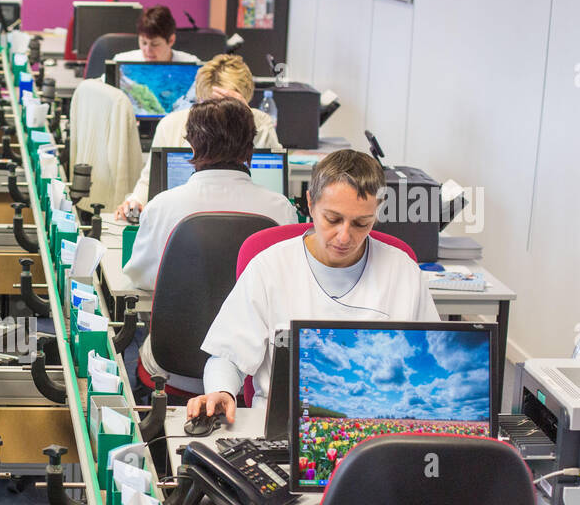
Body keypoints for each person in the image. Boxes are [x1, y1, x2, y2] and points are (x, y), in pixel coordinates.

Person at [185, 149, 440, 425]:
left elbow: (433, 363)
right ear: (310, 203)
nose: (344, 236)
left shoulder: (402, 271)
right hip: (280, 430)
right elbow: (228, 356)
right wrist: (221, 391)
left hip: (380, 431)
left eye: (361, 223)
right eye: (332, 219)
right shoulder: (270, 267)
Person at [123, 98, 299, 393]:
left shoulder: (163, 206)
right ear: (250, 146)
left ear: (191, 145)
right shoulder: (281, 210)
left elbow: (143, 279)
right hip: (250, 375)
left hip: (173, 371)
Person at [116, 54, 281, 219]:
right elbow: (149, 180)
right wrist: (135, 201)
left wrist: (249, 122)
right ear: (199, 100)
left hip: (245, 213)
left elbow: (277, 182)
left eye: (229, 105)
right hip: (182, 215)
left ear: (246, 99)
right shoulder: (171, 124)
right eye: (211, 104)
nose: (219, 113)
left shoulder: (261, 123)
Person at [110, 5, 200, 64]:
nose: (148, 51)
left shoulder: (191, 65)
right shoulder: (122, 62)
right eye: (144, 43)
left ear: (171, 40)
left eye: (155, 44)